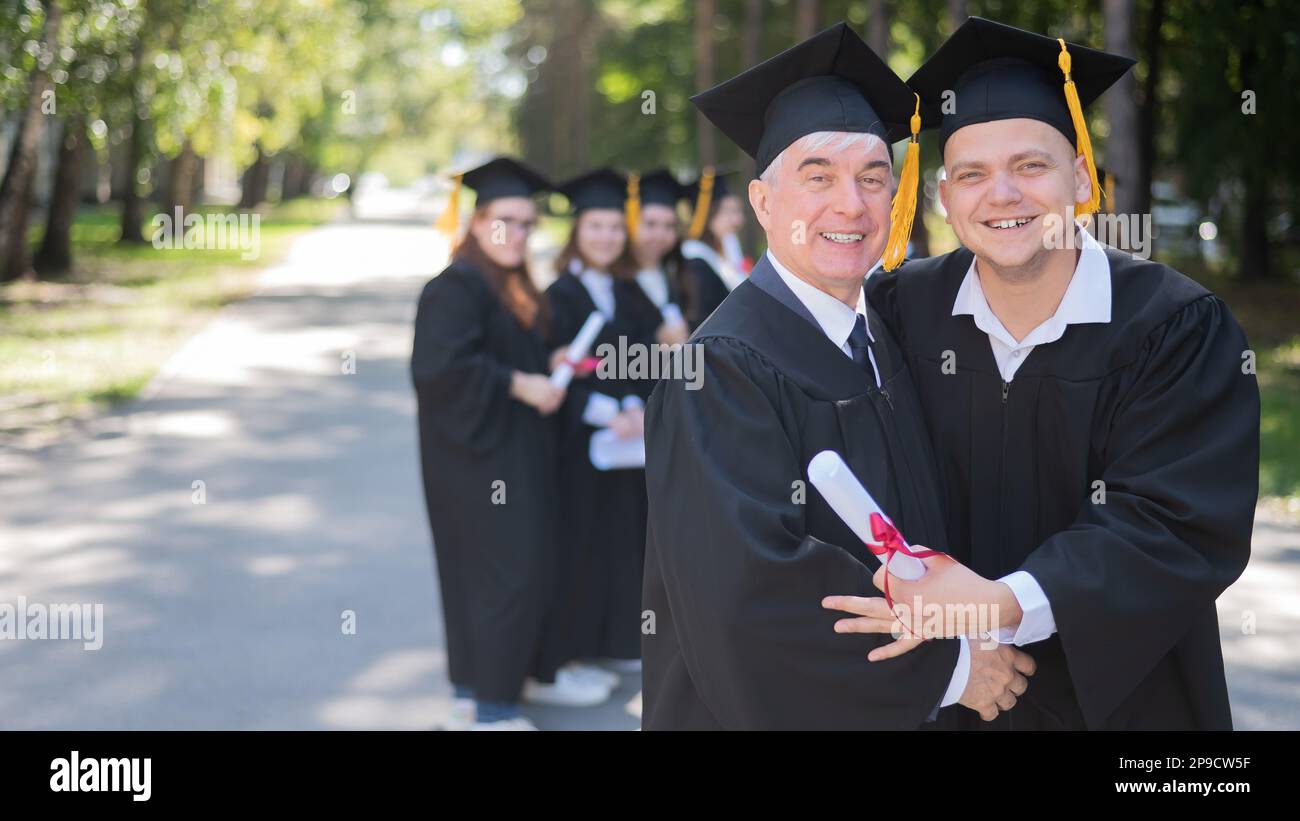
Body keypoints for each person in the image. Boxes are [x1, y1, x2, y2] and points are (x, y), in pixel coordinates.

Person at [845, 17, 1259, 729]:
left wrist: (1001, 604)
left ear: (1080, 176)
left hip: (1131, 705)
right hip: (953, 691)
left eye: (1030, 166)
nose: (1001, 194)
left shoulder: (1174, 327)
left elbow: (1176, 522)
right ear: (945, 198)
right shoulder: (897, 312)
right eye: (972, 174)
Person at [641, 22, 1036, 730]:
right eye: (817, 177)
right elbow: (753, 599)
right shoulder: (720, 369)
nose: (850, 205)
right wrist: (951, 670)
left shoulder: (881, 337)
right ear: (764, 203)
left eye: (873, 177)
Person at [412, 156, 565, 731]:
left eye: (528, 224)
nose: (517, 234)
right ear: (476, 222)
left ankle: (478, 692)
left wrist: (547, 363)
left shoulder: (512, 285)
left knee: (511, 570)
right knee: (499, 574)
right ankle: (491, 708)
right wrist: (518, 383)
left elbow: (511, 353)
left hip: (512, 453)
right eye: (505, 220)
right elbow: (441, 370)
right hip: (474, 463)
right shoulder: (453, 289)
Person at [534, 167, 667, 692]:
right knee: (580, 543)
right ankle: (573, 649)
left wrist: (634, 405)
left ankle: (618, 642)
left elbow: (646, 360)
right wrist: (604, 412)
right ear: (577, 232)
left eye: (615, 228)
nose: (606, 238)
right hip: (579, 443)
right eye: (595, 227)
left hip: (626, 444)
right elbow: (554, 372)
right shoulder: (557, 294)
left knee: (626, 540)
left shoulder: (629, 291)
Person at [629, 168, 691, 346]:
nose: (660, 235)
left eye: (669, 226)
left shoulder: (680, 275)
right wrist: (658, 341)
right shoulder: (614, 282)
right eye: (650, 224)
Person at [679, 170, 748, 330]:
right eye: (729, 212)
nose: (738, 220)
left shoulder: (728, 246)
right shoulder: (694, 261)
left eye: (738, 211)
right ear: (706, 215)